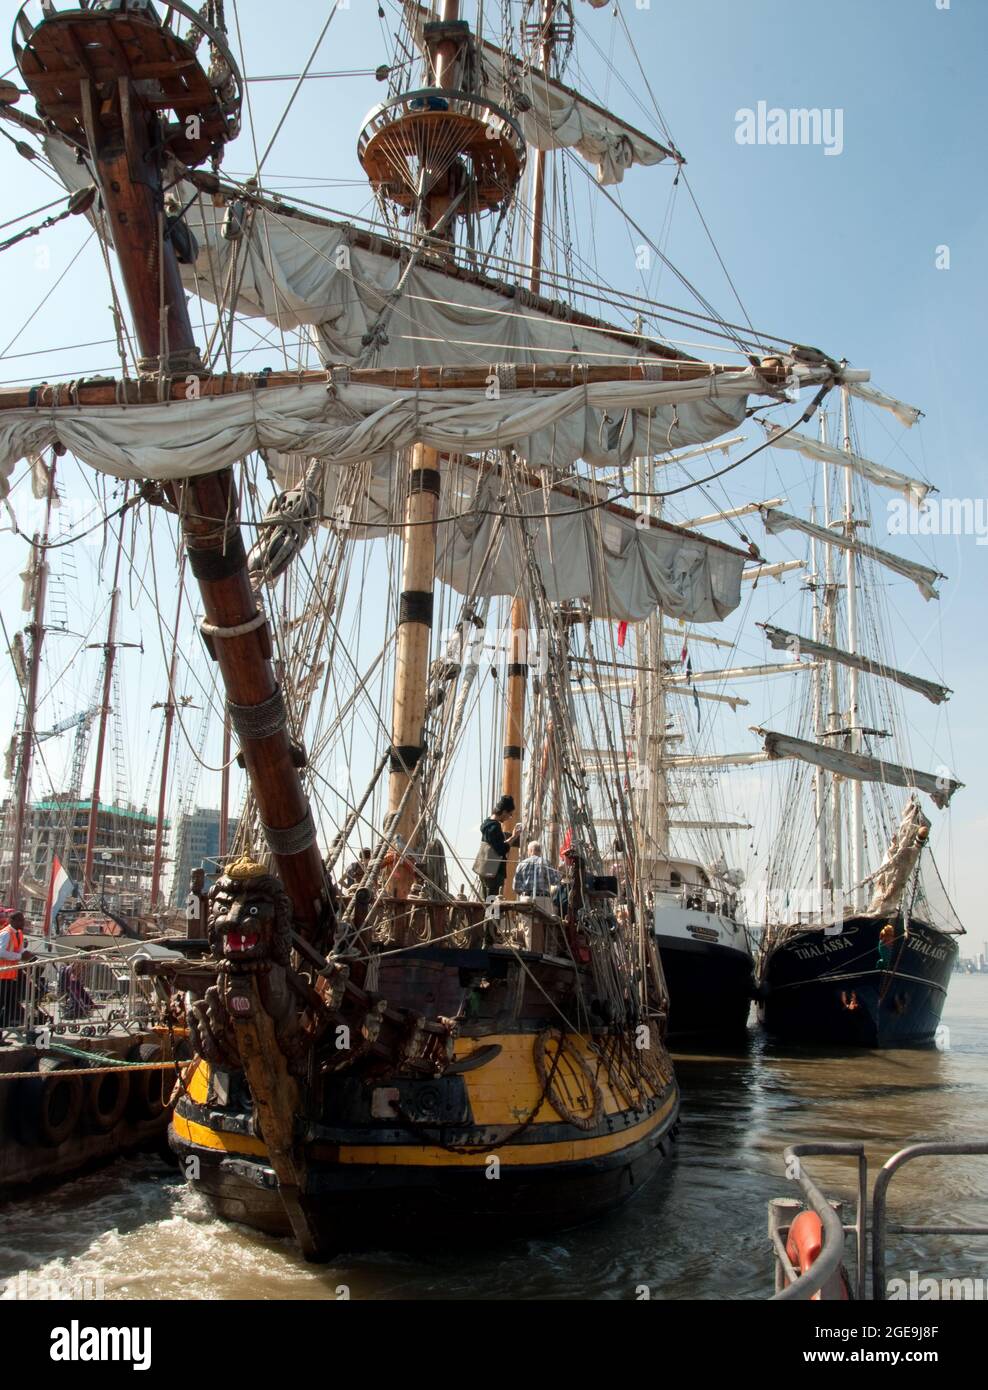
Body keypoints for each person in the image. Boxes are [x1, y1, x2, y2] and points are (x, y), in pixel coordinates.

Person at [475, 795, 521, 899]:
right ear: (504, 812)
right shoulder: (495, 827)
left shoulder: (487, 824)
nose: (510, 817)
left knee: (486, 901)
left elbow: (496, 845)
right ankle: (492, 915)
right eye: (510, 814)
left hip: (484, 869)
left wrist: (513, 837)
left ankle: (487, 915)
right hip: (494, 872)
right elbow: (501, 849)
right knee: (493, 903)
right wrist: (513, 838)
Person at [0, 911, 28, 1035]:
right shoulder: (6, 933)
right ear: (12, 921)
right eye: (20, 920)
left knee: (10, 1004)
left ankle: (5, 1029)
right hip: (2, 975)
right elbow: (1, 952)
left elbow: (21, 950)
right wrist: (19, 956)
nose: (23, 922)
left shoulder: (19, 934)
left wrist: (27, 954)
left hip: (11, 975)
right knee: (2, 1004)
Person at [513, 840, 560, 914]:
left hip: (526, 899)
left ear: (530, 851)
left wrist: (524, 892)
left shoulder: (521, 864)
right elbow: (555, 881)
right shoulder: (546, 863)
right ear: (540, 851)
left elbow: (516, 887)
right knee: (543, 923)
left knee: (526, 924)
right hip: (543, 899)